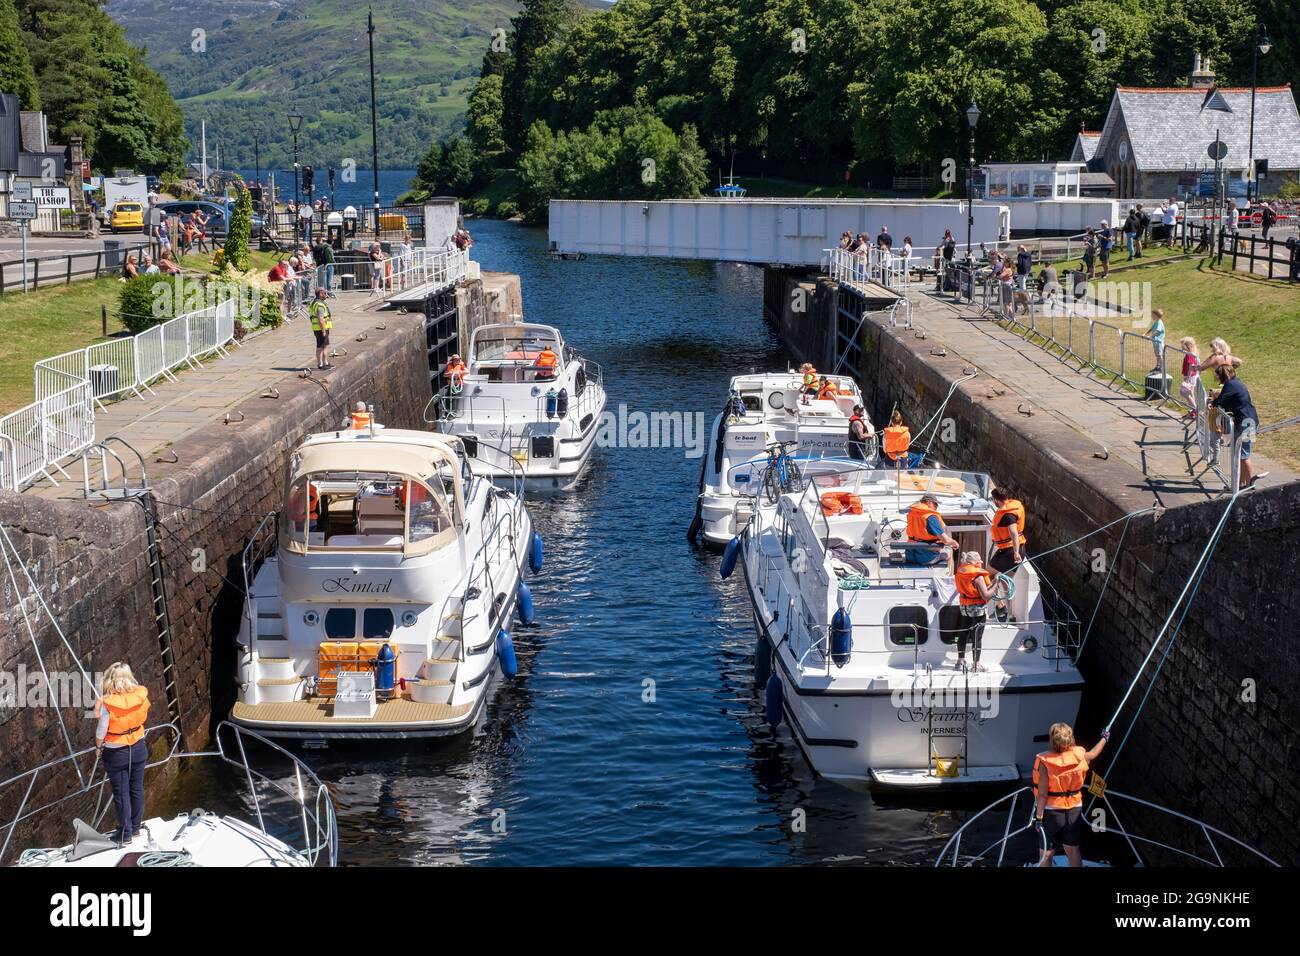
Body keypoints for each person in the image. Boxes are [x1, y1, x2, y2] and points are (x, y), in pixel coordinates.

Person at [1033, 722, 1109, 867]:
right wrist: (1104, 738)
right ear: (1070, 738)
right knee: (1073, 850)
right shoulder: (1080, 755)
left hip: (1052, 812)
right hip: (1074, 809)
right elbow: (1093, 754)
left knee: (1047, 854)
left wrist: (1039, 818)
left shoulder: (1045, 763)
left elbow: (1042, 795)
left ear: (1052, 740)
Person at [95, 663, 150, 844]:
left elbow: (101, 731)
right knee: (137, 788)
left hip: (116, 752)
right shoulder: (140, 696)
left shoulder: (107, 703)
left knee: (121, 793)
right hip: (138, 746)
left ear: (110, 679)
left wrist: (97, 747)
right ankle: (134, 829)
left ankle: (125, 834)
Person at [1209, 364, 1267, 488]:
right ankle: (1240, 484)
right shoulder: (1235, 383)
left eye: (1218, 375)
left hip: (1246, 422)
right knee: (1240, 455)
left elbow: (1221, 401)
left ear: (1222, 375)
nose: (1217, 378)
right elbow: (1228, 403)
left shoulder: (1230, 385)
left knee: (1243, 455)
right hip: (1247, 420)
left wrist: (1212, 403)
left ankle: (1249, 485)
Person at [954, 551, 995, 671]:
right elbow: (986, 596)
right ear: (975, 562)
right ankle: (976, 665)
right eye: (979, 561)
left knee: (963, 633)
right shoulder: (978, 577)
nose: (981, 563)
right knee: (977, 636)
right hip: (977, 608)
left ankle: (960, 661)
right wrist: (996, 583)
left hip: (964, 607)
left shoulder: (961, 572)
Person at [989, 487, 1026, 620]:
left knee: (988, 574)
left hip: (1010, 551)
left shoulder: (1008, 515)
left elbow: (1014, 533)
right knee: (1006, 582)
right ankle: (1009, 613)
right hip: (1011, 549)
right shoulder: (1011, 506)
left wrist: (1016, 553)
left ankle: (1001, 607)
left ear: (996, 500)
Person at [905, 493, 959, 571]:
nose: (936, 507)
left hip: (910, 556)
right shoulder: (930, 517)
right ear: (929, 502)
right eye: (935, 505)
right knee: (948, 553)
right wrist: (955, 543)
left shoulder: (911, 513)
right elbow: (945, 540)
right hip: (926, 558)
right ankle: (948, 576)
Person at [308, 287, 332, 371]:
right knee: (320, 347)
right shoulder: (320, 305)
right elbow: (321, 319)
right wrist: (324, 331)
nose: (326, 294)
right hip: (321, 328)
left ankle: (325, 362)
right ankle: (320, 364)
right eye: (324, 293)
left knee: (324, 346)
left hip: (319, 328)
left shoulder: (315, 302)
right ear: (320, 294)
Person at [1178, 337, 1200, 420]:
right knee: (1190, 394)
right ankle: (1192, 411)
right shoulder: (1191, 353)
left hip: (1190, 376)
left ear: (1187, 346)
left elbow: (1191, 366)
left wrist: (1188, 377)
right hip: (1191, 376)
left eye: (1183, 346)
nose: (1181, 348)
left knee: (1188, 394)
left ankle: (1195, 410)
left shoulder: (1189, 355)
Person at [1147, 308, 1166, 380]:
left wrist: (1150, 336)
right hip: (1155, 342)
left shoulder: (1159, 323)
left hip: (1159, 342)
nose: (1151, 316)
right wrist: (1145, 334)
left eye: (1152, 315)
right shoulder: (1156, 322)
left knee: (1160, 355)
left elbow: (1157, 331)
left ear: (1156, 315)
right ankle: (1158, 366)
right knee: (1157, 355)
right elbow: (1151, 329)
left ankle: (1161, 368)